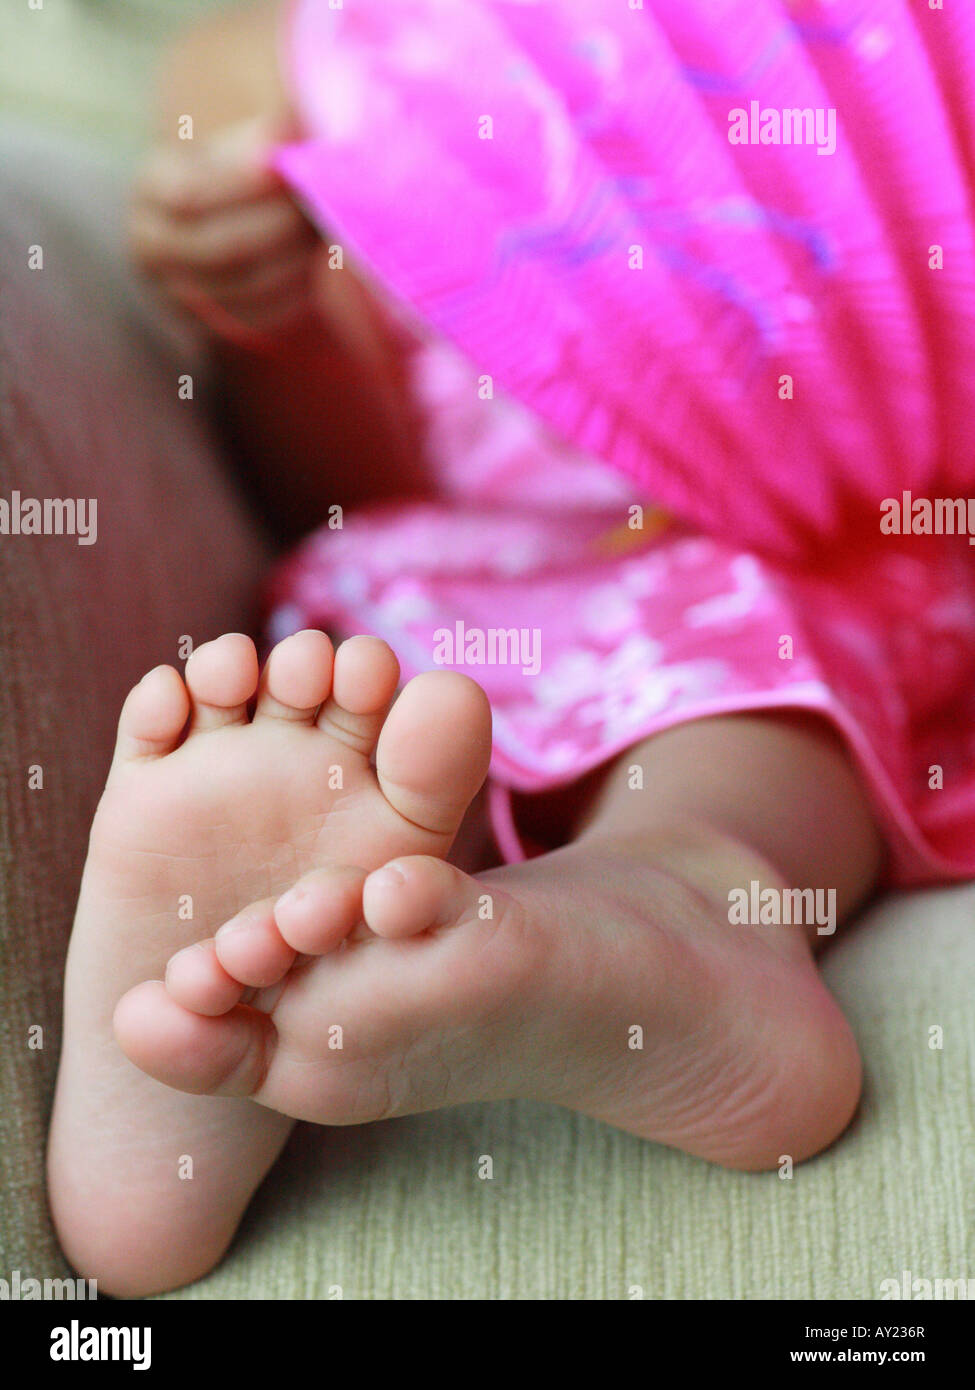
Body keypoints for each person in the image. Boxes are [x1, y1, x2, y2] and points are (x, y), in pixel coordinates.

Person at [47, 0, 975, 1296]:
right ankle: (233, 1004)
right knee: (368, 674)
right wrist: (273, 317)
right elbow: (332, 473)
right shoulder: (298, 58)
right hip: (477, 566)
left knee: (763, 652)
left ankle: (683, 896)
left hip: (825, 541)